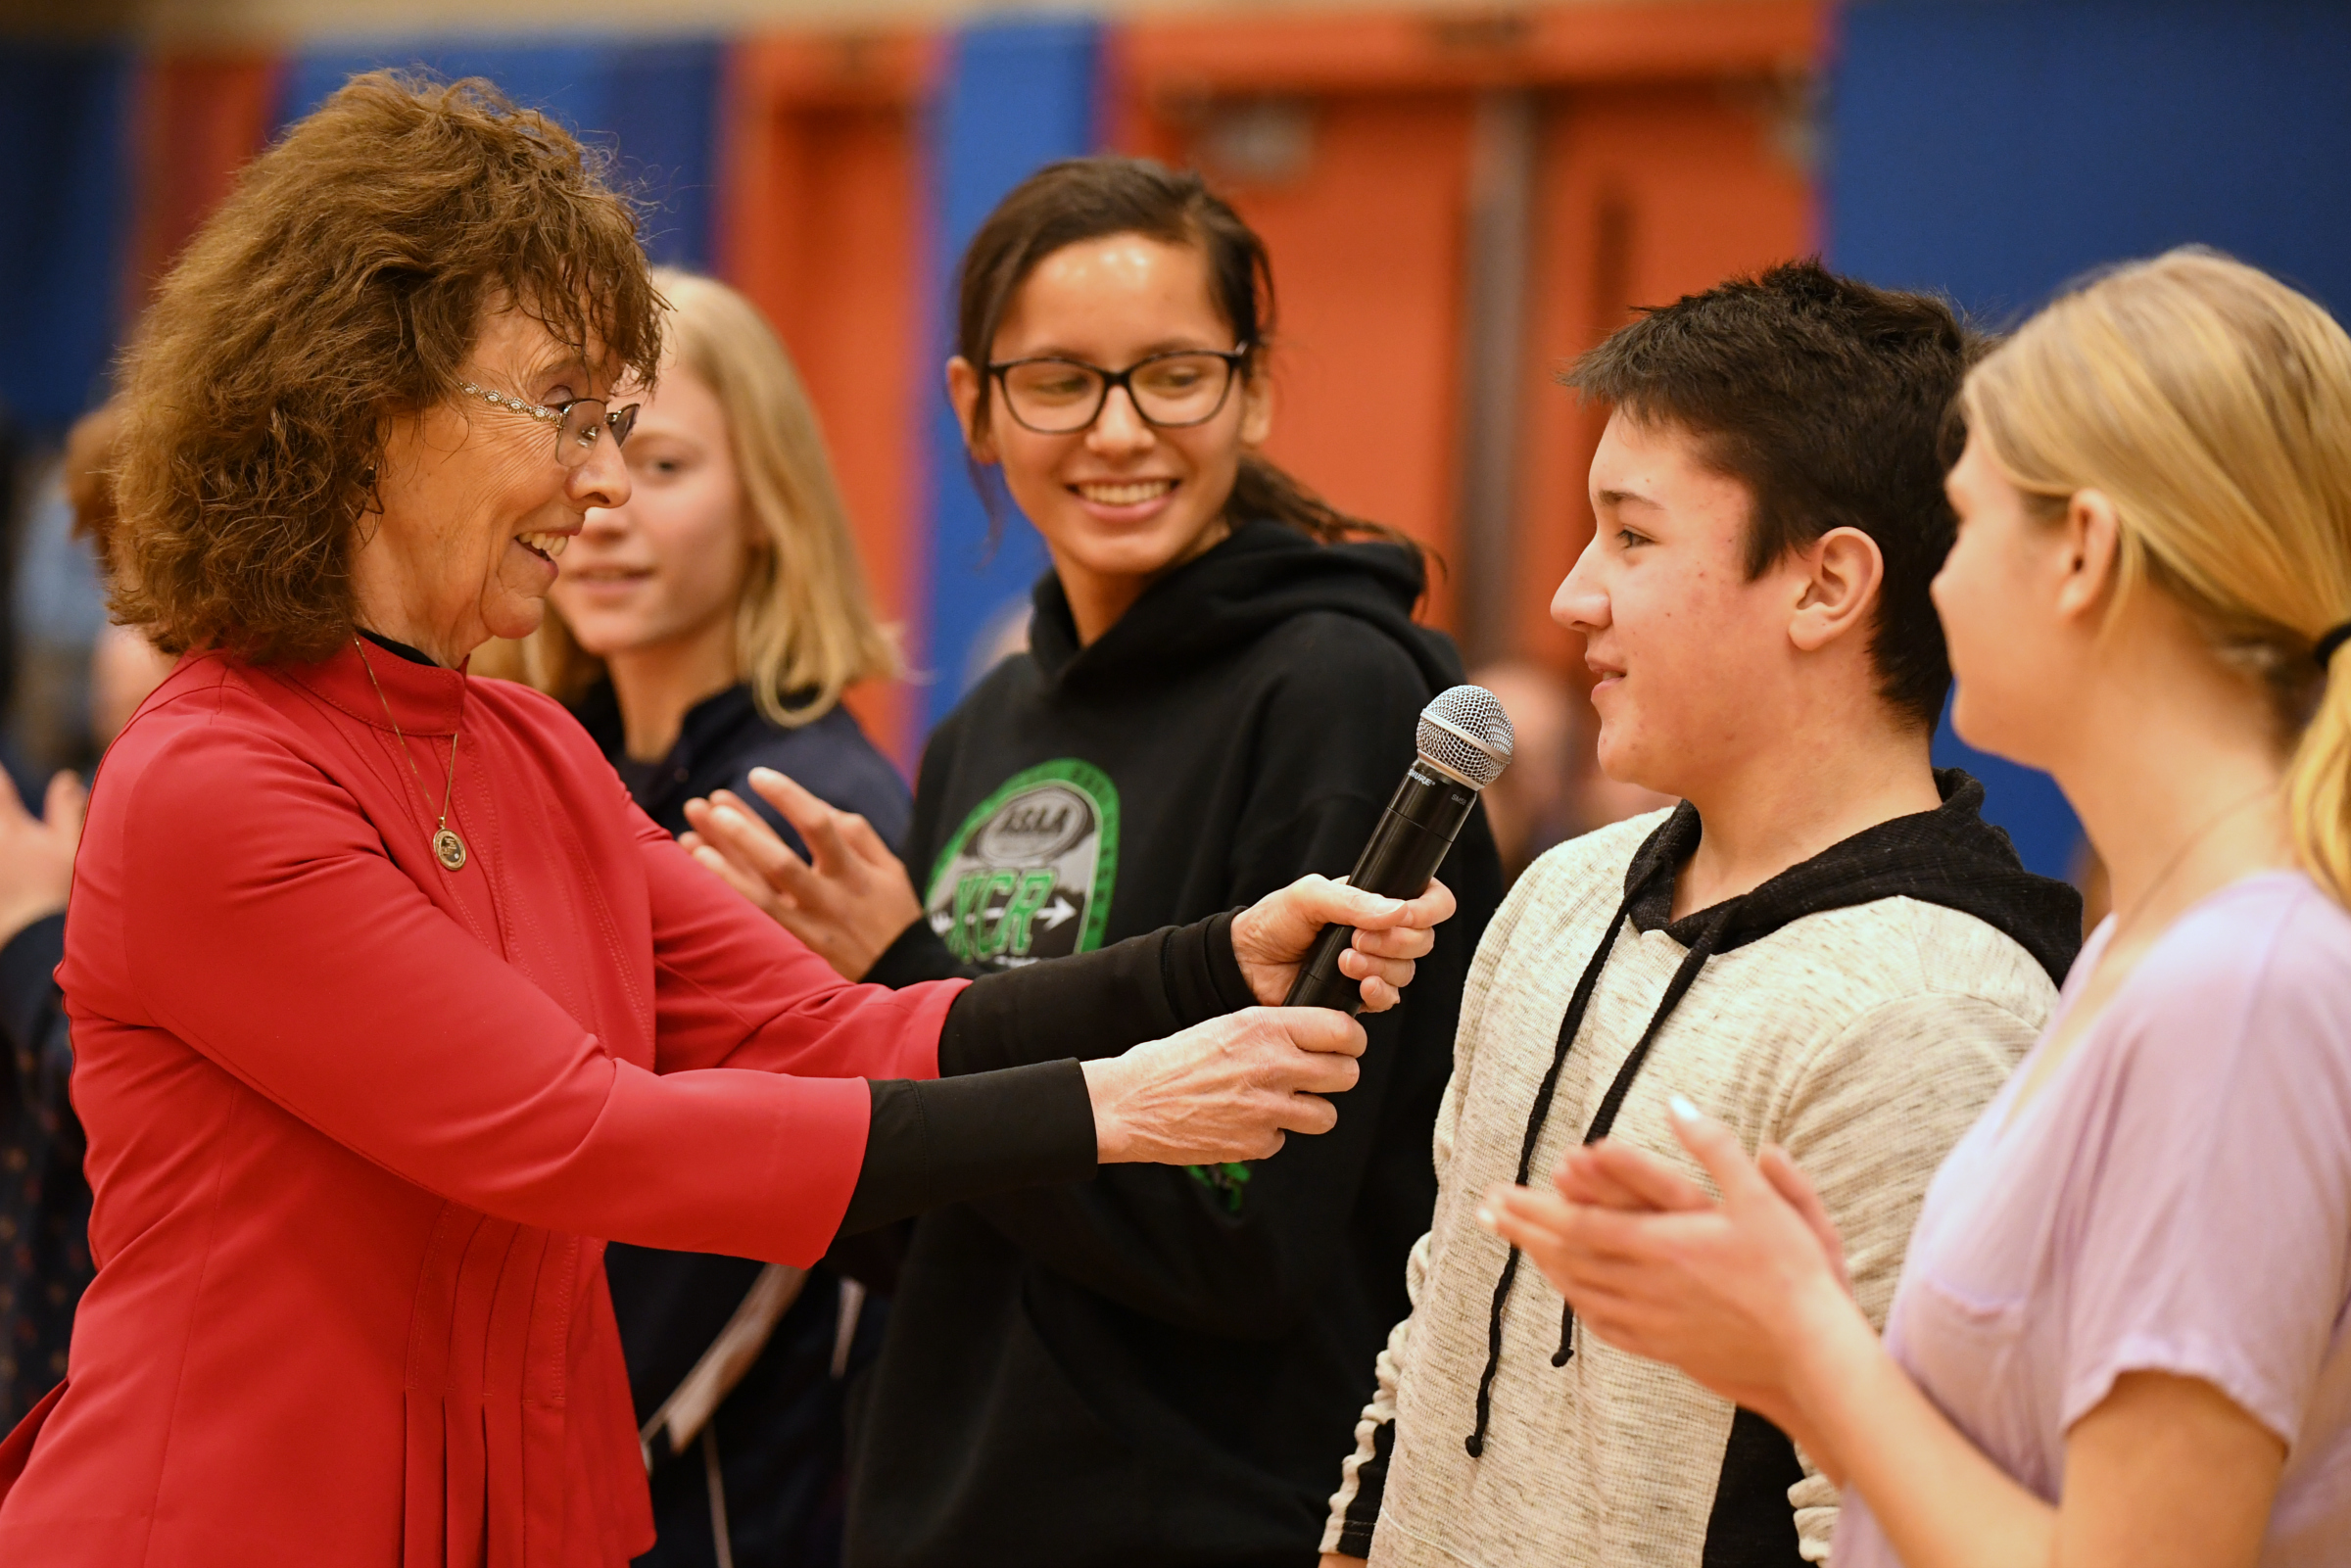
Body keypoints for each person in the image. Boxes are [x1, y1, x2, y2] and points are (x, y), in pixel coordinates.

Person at [0, 75, 1458, 1567]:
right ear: (374, 400)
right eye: (568, 410)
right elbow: (580, 1133)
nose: (605, 479)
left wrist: (1213, 962)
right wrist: (1111, 1106)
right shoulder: (215, 775)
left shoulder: (525, 747)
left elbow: (840, 1025)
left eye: (623, 425)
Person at [682, 156, 1506, 1568]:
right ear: (975, 408)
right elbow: (933, 1229)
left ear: (1251, 390)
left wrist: (909, 979)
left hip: (1216, 1510)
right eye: (1059, 382)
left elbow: (1237, 1239)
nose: (1119, 432)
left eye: (1173, 375)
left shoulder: (1339, 695)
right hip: (942, 1503)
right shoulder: (993, 717)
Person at [1486, 250, 2351, 1566]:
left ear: (2085, 556)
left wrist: (1808, 1356)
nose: (1935, 583)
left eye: (1968, 521)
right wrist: (1794, 1343)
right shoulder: (2147, 941)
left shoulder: (2241, 986)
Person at [1315, 261, 2086, 1568]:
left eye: (1632, 534)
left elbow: (1883, 1513)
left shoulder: (1935, 1013)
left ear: (1827, 585)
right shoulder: (1562, 891)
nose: (1573, 595)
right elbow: (1435, 1324)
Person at [508, 267, 915, 1567]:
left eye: (666, 461)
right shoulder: (567, 763)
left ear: (768, 504)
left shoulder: (802, 808)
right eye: (577, 444)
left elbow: (720, 1233)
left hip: (712, 1483)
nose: (607, 504)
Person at [0, 402, 170, 1428]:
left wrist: (33, 933)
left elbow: (146, 1105)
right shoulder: (85, 798)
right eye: (122, 605)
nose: (136, 649)